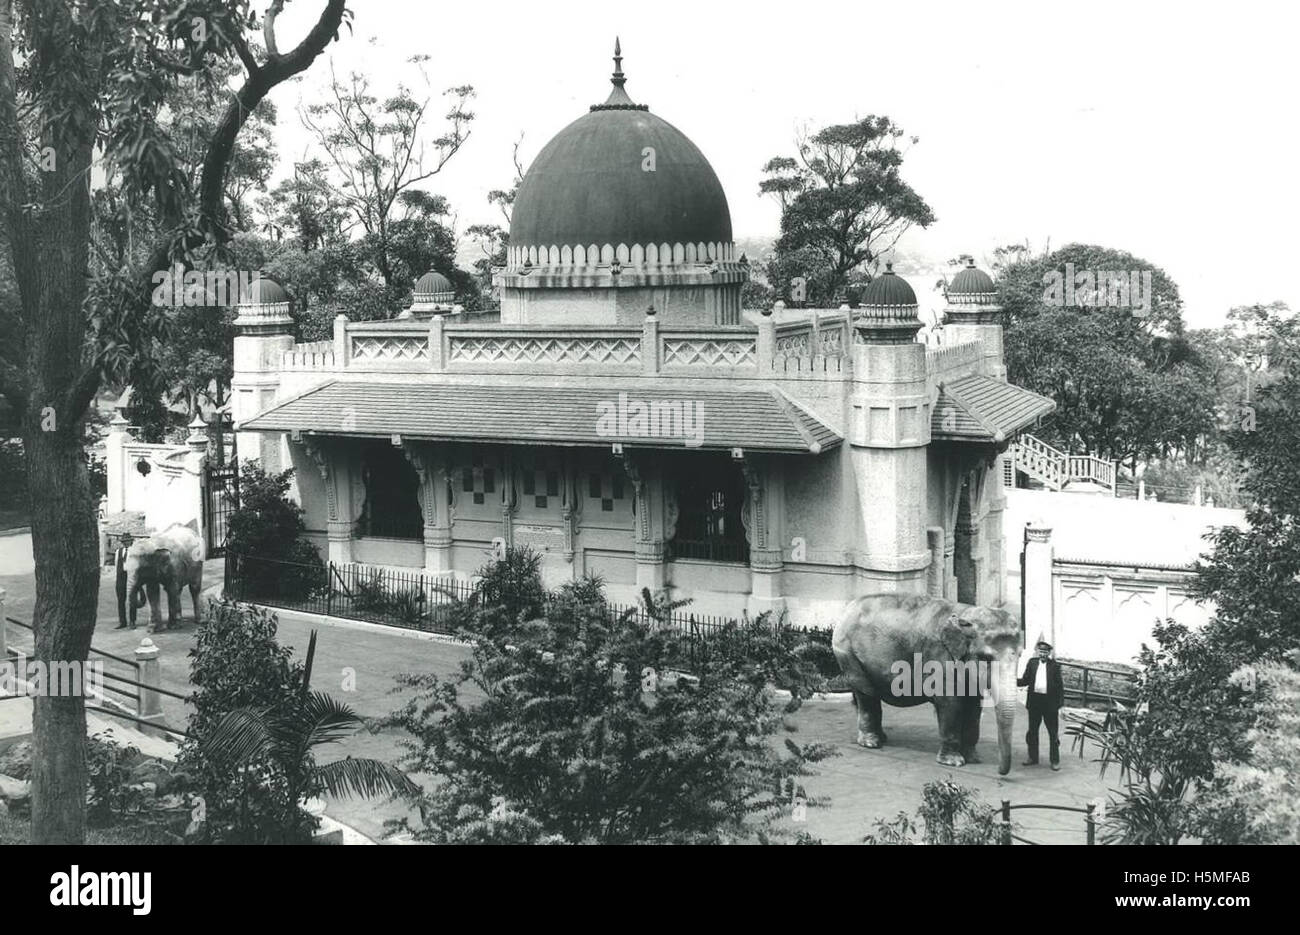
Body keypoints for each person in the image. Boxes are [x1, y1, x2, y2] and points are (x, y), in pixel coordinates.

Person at [1018, 639, 1064, 770]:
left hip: (1050, 704)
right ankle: (1032, 757)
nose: (1042, 654)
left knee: (1053, 733)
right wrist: (1012, 680)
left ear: (1049, 653)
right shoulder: (1032, 663)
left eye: (1045, 652)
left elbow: (1060, 687)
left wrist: (1060, 705)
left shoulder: (1054, 666)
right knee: (1032, 732)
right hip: (1034, 702)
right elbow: (1025, 680)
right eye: (1040, 651)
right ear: (1037, 651)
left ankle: (1054, 761)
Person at [113, 533, 135, 629]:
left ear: (131, 542)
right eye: (124, 541)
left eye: (128, 541)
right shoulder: (118, 552)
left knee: (132, 600)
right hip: (120, 579)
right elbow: (116, 565)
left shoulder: (134, 552)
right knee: (121, 601)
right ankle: (122, 622)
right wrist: (116, 579)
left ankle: (132, 621)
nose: (126, 543)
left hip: (131, 578)